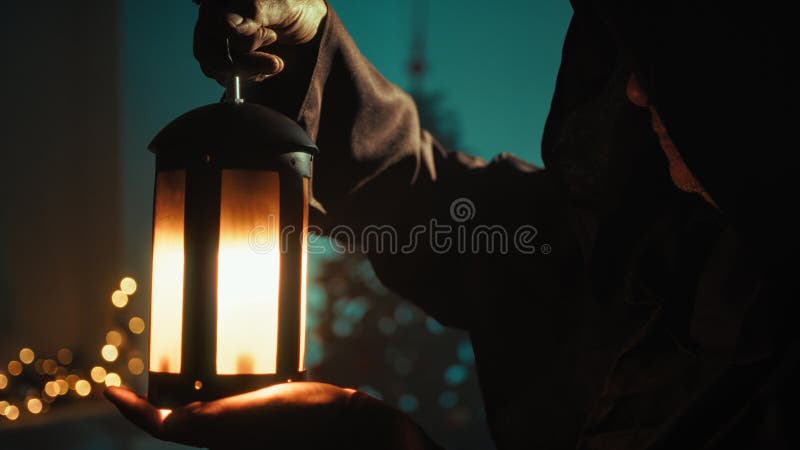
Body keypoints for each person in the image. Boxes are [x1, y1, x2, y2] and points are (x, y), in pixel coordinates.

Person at [106, 0, 799, 449]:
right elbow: (422, 200)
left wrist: (373, 440)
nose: (637, 90)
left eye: (670, 62)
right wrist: (306, 41)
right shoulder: (624, 244)